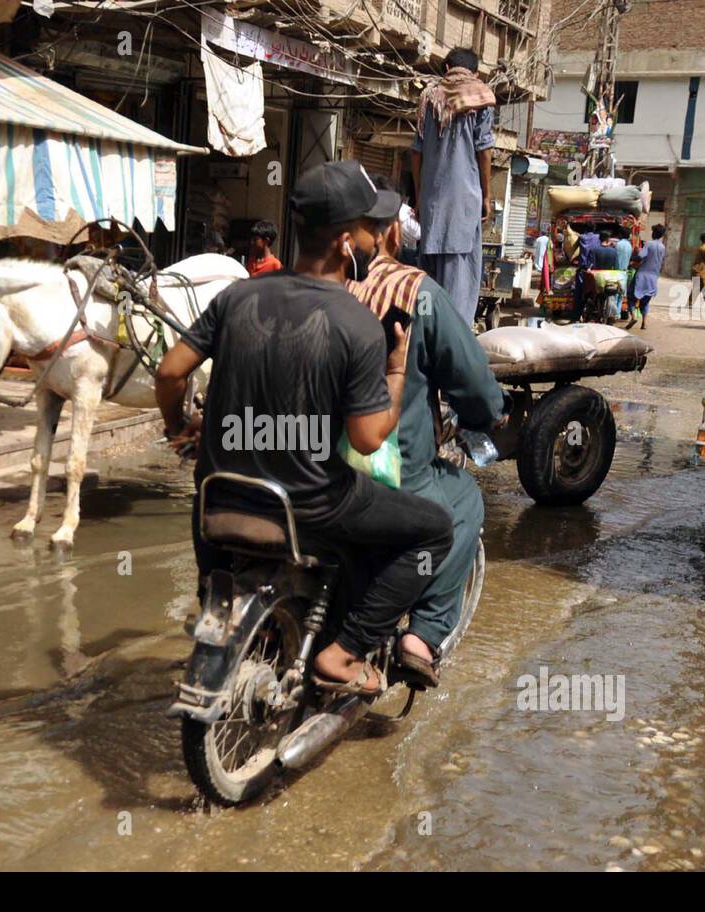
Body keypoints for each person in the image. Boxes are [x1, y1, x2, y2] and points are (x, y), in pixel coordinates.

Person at [156, 161, 454, 696]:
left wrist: (181, 428)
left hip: (217, 501)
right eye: (370, 228)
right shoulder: (357, 324)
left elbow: (170, 371)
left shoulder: (237, 297)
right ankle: (344, 653)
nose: (378, 237)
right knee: (434, 529)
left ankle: (221, 606)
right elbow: (367, 439)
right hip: (311, 509)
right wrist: (394, 370)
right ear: (345, 244)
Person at [347, 180, 506, 687]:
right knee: (463, 498)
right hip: (387, 468)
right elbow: (475, 386)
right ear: (393, 231)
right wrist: (486, 415)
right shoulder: (418, 294)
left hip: (307, 465)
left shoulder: (314, 286)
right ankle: (425, 632)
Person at [409, 47, 498, 323]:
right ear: (475, 73)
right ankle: (453, 340)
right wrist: (487, 195)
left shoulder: (429, 97)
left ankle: (426, 334)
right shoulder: (479, 96)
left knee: (428, 278)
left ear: (446, 68)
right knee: (461, 282)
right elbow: (484, 150)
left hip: (432, 205)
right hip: (463, 203)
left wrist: (420, 195)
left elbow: (416, 151)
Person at [627, 223, 666, 330]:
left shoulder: (649, 244)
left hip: (642, 275)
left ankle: (633, 317)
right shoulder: (663, 247)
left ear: (654, 233)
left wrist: (633, 257)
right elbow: (661, 261)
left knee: (631, 296)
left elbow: (641, 255)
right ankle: (644, 323)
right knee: (645, 301)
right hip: (653, 278)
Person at [689, 231, 705, 308]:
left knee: (703, 288)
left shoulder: (702, 247)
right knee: (699, 288)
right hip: (699, 272)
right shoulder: (704, 248)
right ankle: (690, 304)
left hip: (699, 271)